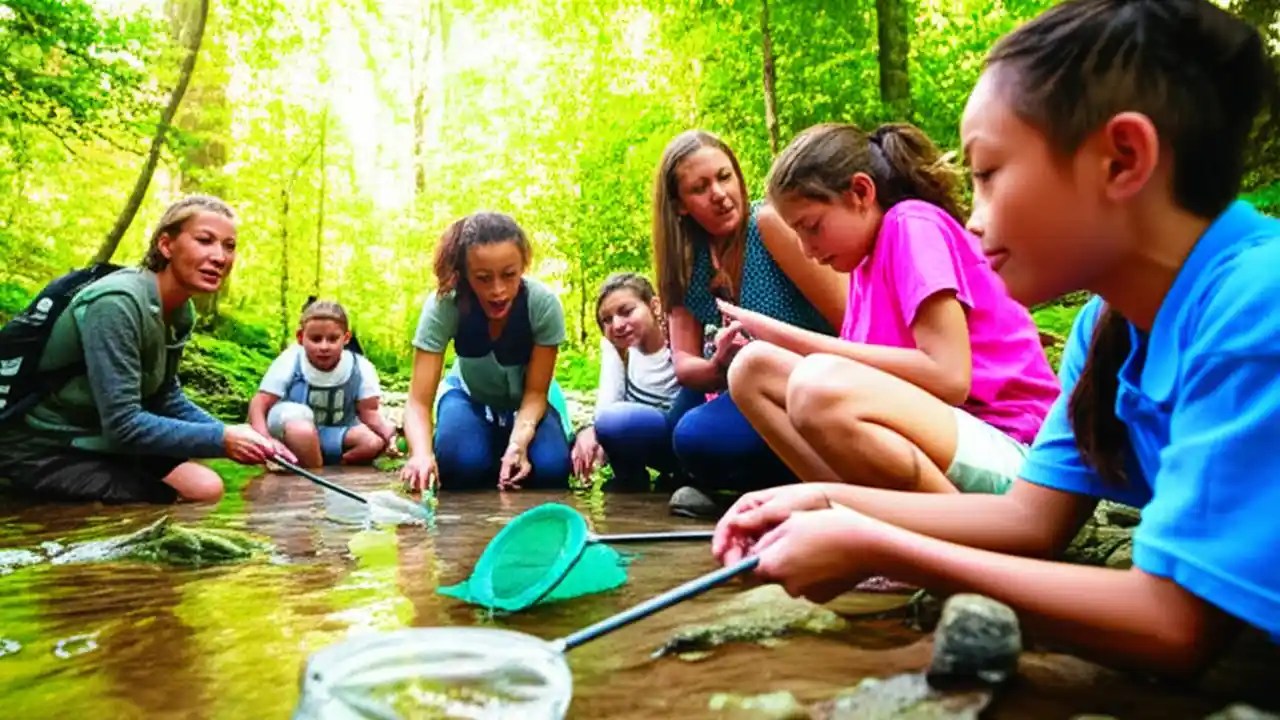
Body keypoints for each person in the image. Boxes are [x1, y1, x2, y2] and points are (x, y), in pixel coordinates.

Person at [713, 0, 1280, 676]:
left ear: (1122, 160)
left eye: (987, 175)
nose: (974, 222)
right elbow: (1028, 523)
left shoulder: (1257, 304)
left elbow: (1175, 627)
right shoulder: (1103, 331)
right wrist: (823, 503)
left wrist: (879, 544)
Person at [722, 122, 1060, 495]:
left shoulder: (911, 225)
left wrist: (782, 335)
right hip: (947, 441)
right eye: (797, 233)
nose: (806, 249)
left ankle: (955, 521)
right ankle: (850, 506)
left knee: (817, 387)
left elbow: (949, 378)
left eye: (812, 226)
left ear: (860, 192)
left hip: (1018, 452)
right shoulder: (861, 268)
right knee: (752, 369)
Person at [0, 196, 294, 503]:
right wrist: (222, 440)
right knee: (161, 503)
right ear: (166, 245)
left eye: (229, 246)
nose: (220, 257)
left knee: (205, 487)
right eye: (205, 240)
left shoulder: (180, 312)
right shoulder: (117, 304)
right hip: (38, 444)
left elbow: (165, 397)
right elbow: (124, 425)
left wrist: (246, 438)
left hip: (93, 436)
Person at [652, 130, 847, 516]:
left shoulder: (768, 225)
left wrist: (761, 351)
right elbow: (685, 365)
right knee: (677, 422)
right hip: (743, 378)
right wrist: (719, 364)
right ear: (679, 206)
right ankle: (743, 477)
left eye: (724, 177)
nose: (720, 194)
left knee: (694, 437)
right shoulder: (688, 258)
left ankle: (811, 482)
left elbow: (851, 322)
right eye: (700, 188)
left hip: (811, 377)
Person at [399, 211, 572, 491]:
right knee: (460, 465)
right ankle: (480, 448)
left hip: (527, 404)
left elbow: (536, 393)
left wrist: (518, 444)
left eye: (509, 275)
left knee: (551, 470)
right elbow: (418, 402)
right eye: (483, 278)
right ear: (465, 274)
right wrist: (421, 454)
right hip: (467, 395)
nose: (498, 290)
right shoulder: (445, 305)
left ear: (523, 266)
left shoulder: (543, 305)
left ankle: (501, 449)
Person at [571, 272, 691, 491]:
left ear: (654, 306)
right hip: (650, 440)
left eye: (626, 312)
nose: (617, 325)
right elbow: (607, 405)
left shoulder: (683, 334)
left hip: (689, 437)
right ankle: (630, 478)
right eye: (607, 320)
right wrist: (589, 429)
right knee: (611, 420)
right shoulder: (618, 349)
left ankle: (687, 475)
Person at [247, 300, 396, 468]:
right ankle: (314, 474)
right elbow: (259, 404)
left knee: (372, 443)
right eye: (316, 339)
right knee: (302, 429)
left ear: (346, 338)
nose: (324, 347)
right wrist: (265, 440)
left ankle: (333, 471)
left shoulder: (360, 367)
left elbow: (369, 412)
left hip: (334, 432)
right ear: (300, 337)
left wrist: (389, 436)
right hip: (291, 430)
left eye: (332, 339)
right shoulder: (290, 360)